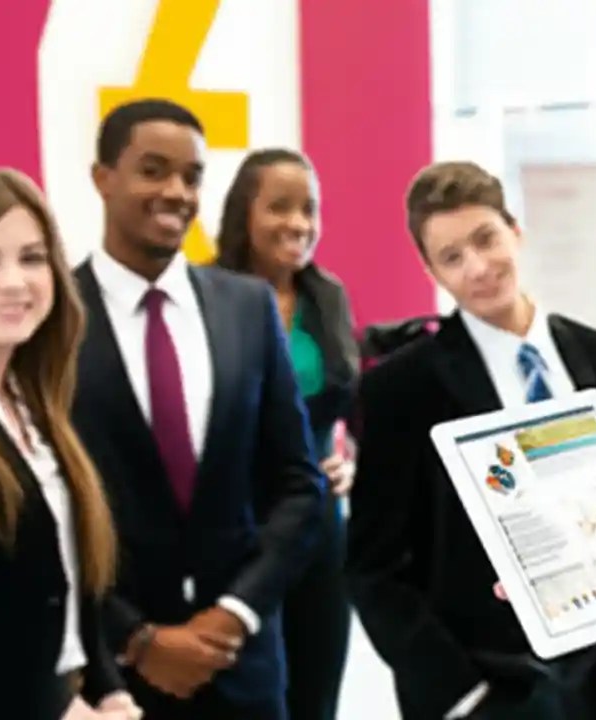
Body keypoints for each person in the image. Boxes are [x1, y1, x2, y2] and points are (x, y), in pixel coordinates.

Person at [347, 160, 596, 720]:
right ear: (432, 271)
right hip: (483, 686)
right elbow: (371, 568)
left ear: (514, 231)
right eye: (452, 257)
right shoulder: (400, 389)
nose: (477, 267)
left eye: (486, 239)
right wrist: (457, 693)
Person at [72, 99, 323, 720]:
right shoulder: (55, 321)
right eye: (153, 170)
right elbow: (42, 521)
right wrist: (136, 638)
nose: (177, 192)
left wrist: (234, 615)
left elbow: (298, 483)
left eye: (192, 176)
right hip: (113, 677)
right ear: (103, 177)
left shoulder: (247, 307)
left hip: (243, 665)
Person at [0, 168, 142, 720]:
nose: (13, 282)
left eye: (33, 258)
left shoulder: (39, 407)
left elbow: (67, 585)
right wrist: (58, 708)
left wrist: (110, 692)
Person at [217, 148, 358, 720]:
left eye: (309, 210)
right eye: (280, 207)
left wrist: (351, 461)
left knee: (315, 696)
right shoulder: (205, 294)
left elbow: (348, 402)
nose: (299, 224)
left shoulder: (328, 296)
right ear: (242, 213)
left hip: (321, 527)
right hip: (236, 525)